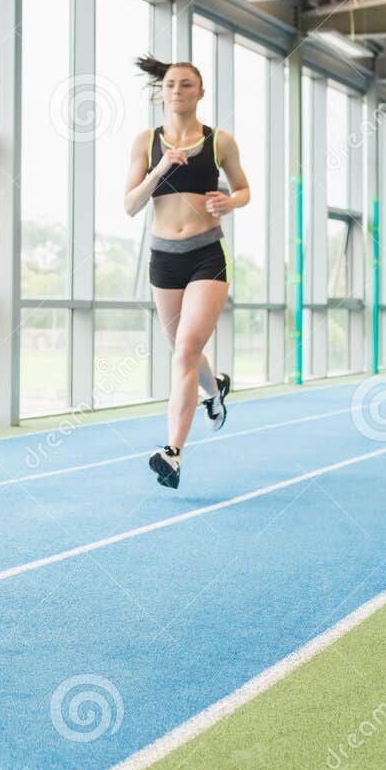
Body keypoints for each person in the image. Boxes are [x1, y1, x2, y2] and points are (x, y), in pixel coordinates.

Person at [123, 55, 250, 489]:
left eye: (186, 85)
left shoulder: (221, 142)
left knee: (184, 351)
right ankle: (214, 391)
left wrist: (229, 202)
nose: (177, 91)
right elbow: (130, 205)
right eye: (171, 85)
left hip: (206, 254)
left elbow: (243, 188)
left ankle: (172, 452)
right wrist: (161, 167)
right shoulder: (145, 142)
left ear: (200, 93)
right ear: (162, 92)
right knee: (182, 348)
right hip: (163, 256)